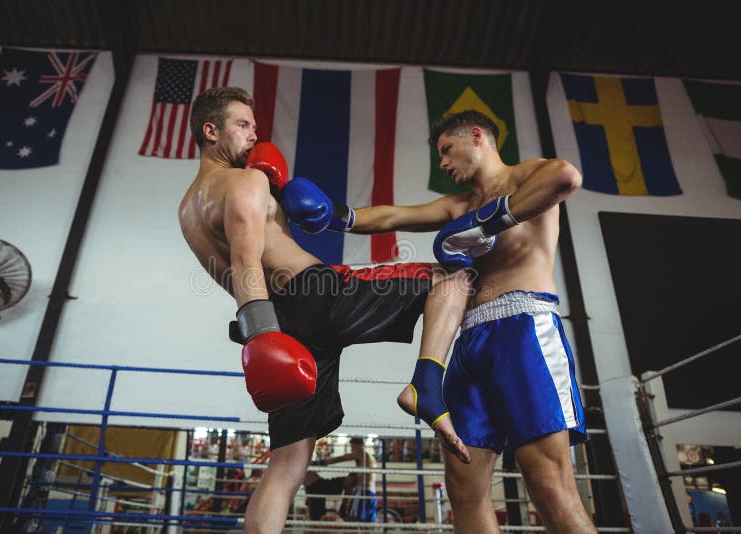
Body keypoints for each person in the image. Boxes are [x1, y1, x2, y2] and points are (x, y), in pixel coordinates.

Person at [282, 110, 595, 532]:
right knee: (463, 491)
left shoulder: (529, 175)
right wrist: (336, 215)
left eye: (447, 150)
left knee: (548, 485)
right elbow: (393, 216)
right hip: (468, 344)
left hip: (525, 330)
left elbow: (567, 178)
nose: (444, 164)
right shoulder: (457, 206)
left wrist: (488, 223)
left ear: (478, 137)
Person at [178, 87, 471, 534]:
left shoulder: (185, 209)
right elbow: (245, 262)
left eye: (255, 128)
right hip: (315, 296)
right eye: (243, 126)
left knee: (287, 462)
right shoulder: (247, 182)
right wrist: (260, 335)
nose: (254, 137)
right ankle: (426, 385)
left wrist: (264, 333)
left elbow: (233, 270)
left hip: (283, 324)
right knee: (451, 277)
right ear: (210, 130)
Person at [303, 437, 377, 522]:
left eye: (352, 447)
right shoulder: (370, 459)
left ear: (358, 446)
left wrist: (319, 463)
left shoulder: (362, 453)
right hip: (371, 492)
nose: (352, 450)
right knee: (366, 522)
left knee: (354, 519)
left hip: (362, 492)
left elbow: (340, 459)